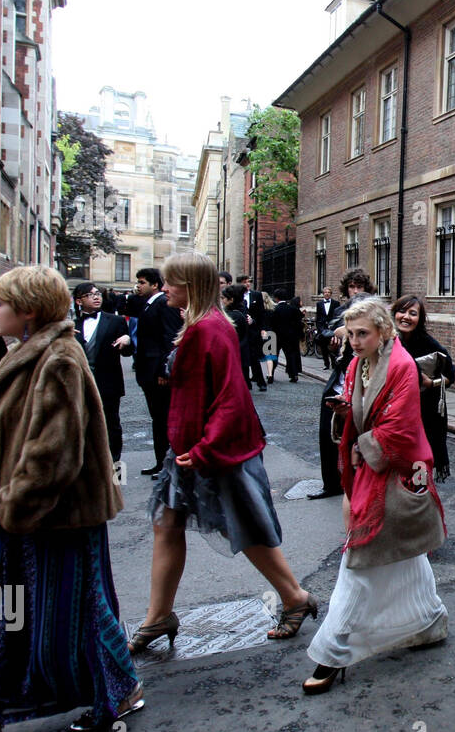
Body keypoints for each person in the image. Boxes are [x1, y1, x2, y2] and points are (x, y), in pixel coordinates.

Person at [0, 266, 142, 732]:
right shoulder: (30, 352)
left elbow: (54, 455)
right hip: (32, 516)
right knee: (17, 620)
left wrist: (12, 504)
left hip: (53, 516)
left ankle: (111, 693)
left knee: (67, 614)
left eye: (1, 304)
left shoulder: (59, 358)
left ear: (28, 310)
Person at [131, 253, 316, 651]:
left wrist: (203, 449)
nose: (164, 288)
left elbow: (231, 398)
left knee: (245, 528)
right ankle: (158, 615)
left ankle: (295, 598)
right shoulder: (201, 324)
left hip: (213, 451)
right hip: (192, 449)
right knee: (167, 525)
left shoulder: (208, 328)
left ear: (191, 286)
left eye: (171, 282)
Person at [302, 298, 449, 694]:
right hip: (368, 468)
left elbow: (400, 428)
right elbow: (359, 410)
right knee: (402, 551)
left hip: (392, 470)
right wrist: (345, 412)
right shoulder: (356, 364)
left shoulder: (401, 366)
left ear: (383, 332)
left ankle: (332, 652)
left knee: (358, 558)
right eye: (350, 333)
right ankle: (430, 619)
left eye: (361, 333)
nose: (353, 341)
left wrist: (360, 447)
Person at [310, 272, 374, 500]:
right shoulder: (340, 313)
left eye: (359, 287)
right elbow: (323, 335)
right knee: (327, 434)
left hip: (365, 385)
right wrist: (332, 341)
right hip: (339, 382)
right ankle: (331, 484)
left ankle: (362, 485)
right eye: (351, 287)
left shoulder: (374, 315)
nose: (355, 292)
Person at [392, 295, 455, 482]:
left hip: (422, 416)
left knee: (418, 470)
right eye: (401, 311)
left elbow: (450, 377)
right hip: (394, 415)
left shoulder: (430, 345)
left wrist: (431, 383)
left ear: (420, 319)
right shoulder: (387, 341)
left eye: (413, 313)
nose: (406, 317)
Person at [131, 267, 183, 476]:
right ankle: (160, 461)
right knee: (157, 418)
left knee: (163, 418)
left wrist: (164, 370)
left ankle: (167, 463)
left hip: (157, 372)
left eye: (142, 282)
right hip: (147, 369)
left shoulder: (163, 303)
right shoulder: (148, 304)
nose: (138, 286)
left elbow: (170, 338)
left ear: (155, 285)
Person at [73, 282, 133, 463]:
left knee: (111, 424)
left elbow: (128, 352)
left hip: (108, 382)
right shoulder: (71, 325)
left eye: (98, 293)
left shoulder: (115, 321)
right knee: (83, 424)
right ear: (78, 301)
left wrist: (127, 339)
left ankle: (115, 467)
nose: (96, 297)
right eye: (90, 295)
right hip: (81, 383)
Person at [270, 292, 304, 382]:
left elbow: (272, 324)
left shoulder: (275, 309)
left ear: (277, 298)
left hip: (277, 336)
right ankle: (294, 375)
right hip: (290, 336)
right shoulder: (292, 309)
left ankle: (271, 374)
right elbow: (298, 322)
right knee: (290, 356)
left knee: (274, 355)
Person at [315, 286, 339, 370]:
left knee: (332, 347)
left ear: (331, 294)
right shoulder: (319, 304)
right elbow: (318, 317)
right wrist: (320, 329)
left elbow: (337, 317)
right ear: (323, 294)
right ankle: (326, 364)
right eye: (325, 292)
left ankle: (334, 363)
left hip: (332, 329)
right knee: (324, 347)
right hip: (323, 329)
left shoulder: (336, 303)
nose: (327, 294)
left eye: (329, 292)